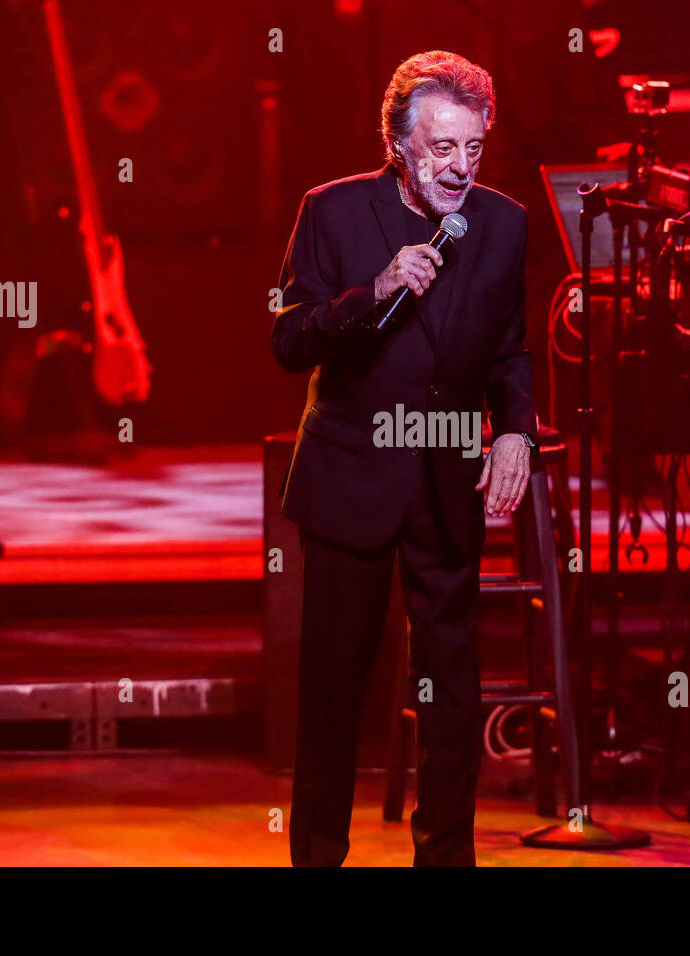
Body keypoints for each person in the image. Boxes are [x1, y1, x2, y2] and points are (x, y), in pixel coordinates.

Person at [270, 51, 538, 865]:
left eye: (473, 149)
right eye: (441, 149)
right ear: (399, 142)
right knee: (335, 688)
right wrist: (375, 293)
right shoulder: (334, 212)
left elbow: (510, 351)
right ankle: (319, 854)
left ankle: (446, 858)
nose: (460, 167)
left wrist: (516, 429)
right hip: (352, 476)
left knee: (454, 692)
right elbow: (288, 337)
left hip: (444, 480)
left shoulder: (504, 223)